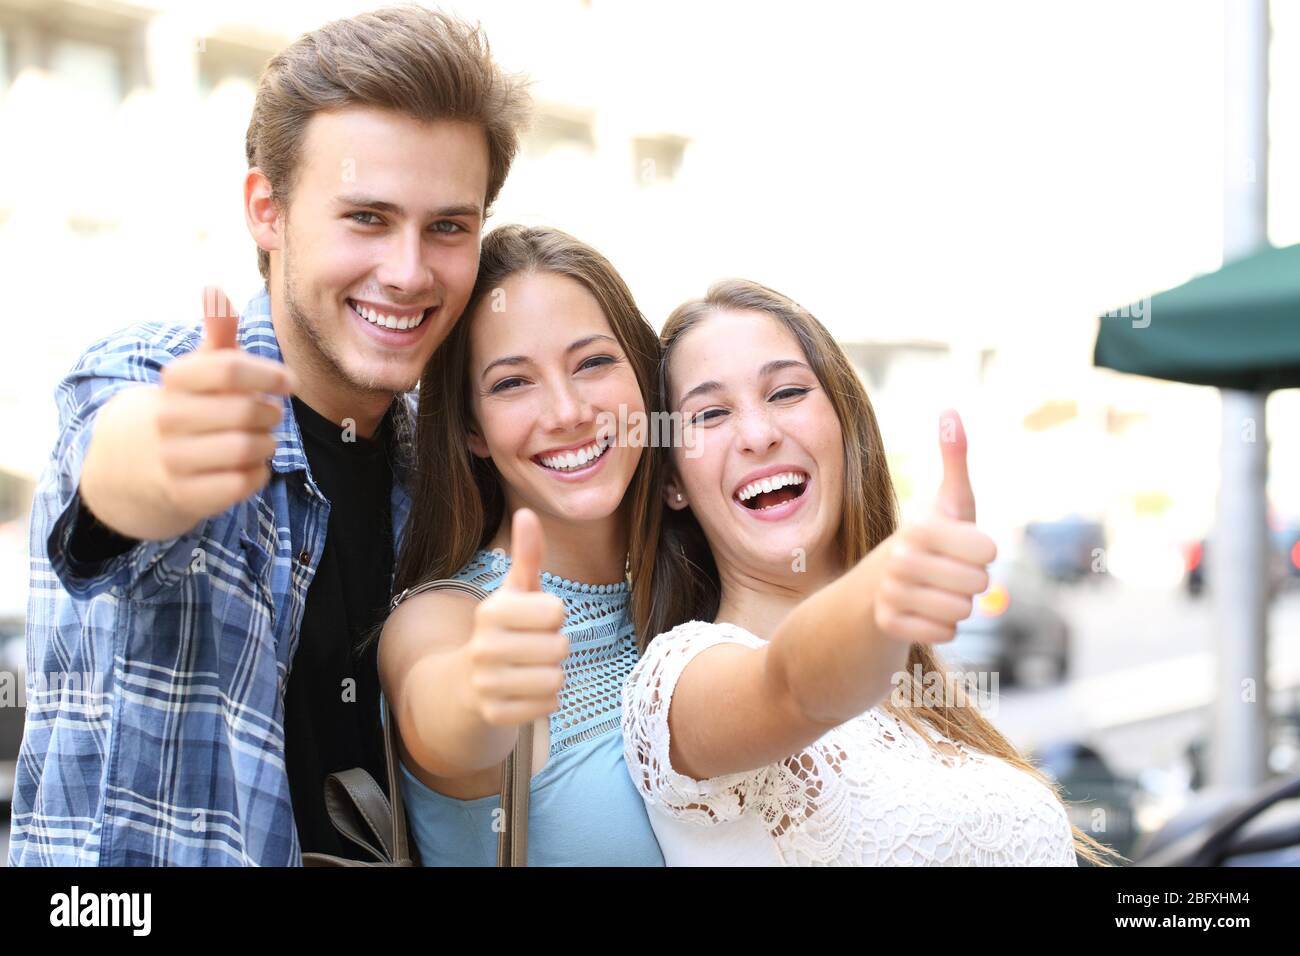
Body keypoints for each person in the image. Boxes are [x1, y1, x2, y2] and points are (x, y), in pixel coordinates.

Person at [10, 7, 529, 866]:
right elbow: (117, 468)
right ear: (267, 210)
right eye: (366, 217)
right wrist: (164, 459)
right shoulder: (157, 372)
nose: (408, 271)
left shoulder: (437, 470)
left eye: (448, 226)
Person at [622, 279, 1123, 866]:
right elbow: (789, 685)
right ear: (674, 481)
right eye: (709, 413)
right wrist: (888, 587)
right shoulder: (677, 683)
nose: (759, 434)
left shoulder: (918, 696)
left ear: (843, 425)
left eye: (785, 392)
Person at [379, 225, 664, 865]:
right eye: (512, 383)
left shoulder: (686, 591)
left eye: (592, 363)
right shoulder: (445, 617)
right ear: (472, 430)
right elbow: (440, 715)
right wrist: (484, 682)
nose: (566, 412)